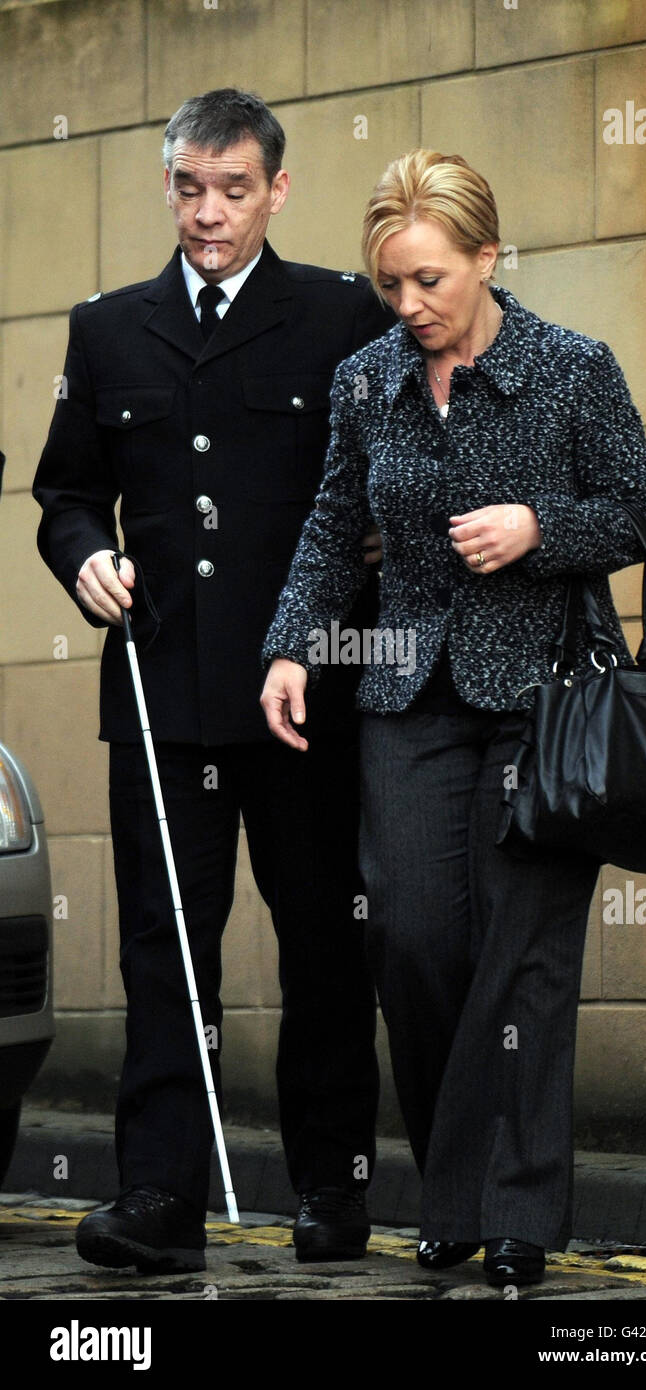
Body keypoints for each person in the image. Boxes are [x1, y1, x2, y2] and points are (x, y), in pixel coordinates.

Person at [261, 150, 646, 1287]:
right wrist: (292, 644)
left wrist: (540, 527)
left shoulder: (571, 368)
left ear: (489, 257)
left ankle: (512, 1212)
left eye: (432, 281)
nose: (411, 306)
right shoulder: (366, 379)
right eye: (393, 284)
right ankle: (458, 1176)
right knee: (412, 937)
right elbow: (334, 526)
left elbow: (641, 514)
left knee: (525, 960)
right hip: (404, 694)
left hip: (545, 702)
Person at [32, 88, 394, 1274]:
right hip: (163, 689)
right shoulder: (109, 328)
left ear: (277, 190)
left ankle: (333, 1188)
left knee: (323, 944)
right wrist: (85, 554)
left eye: (234, 188)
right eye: (190, 186)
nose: (209, 211)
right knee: (165, 947)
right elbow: (66, 493)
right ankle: (159, 1198)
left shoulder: (340, 317)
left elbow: (376, 494)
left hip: (303, 696)